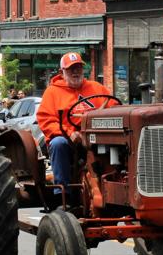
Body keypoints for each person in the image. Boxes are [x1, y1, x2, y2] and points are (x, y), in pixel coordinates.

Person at [37, 52, 111, 194]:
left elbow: (112, 106)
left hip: (97, 136)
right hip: (68, 139)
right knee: (58, 144)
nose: (76, 71)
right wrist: (69, 133)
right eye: (71, 68)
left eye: (78, 67)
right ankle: (63, 194)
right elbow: (46, 120)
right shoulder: (52, 92)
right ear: (62, 72)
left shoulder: (97, 88)